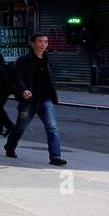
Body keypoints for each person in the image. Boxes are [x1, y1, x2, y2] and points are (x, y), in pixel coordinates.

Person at [5, 33, 67, 166]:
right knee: (20, 127)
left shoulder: (47, 59)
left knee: (52, 127)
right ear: (32, 43)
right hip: (29, 100)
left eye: (45, 42)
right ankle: (10, 147)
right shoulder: (24, 60)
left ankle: (55, 157)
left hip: (46, 100)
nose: (43, 44)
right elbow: (18, 77)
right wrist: (23, 90)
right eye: (40, 41)